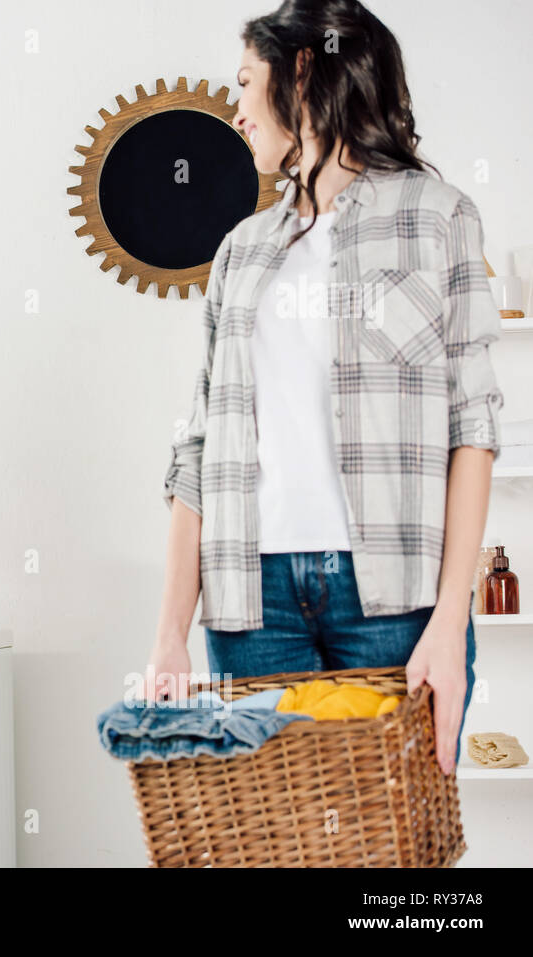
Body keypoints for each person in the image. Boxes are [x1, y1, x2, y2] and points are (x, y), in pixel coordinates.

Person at [145, 0, 504, 775]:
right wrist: (170, 633)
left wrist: (452, 618)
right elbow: (197, 448)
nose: (237, 109)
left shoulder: (438, 218)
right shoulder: (241, 250)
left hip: (396, 601)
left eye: (247, 81)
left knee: (393, 837)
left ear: (302, 69)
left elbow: (472, 428)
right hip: (252, 602)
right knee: (275, 832)